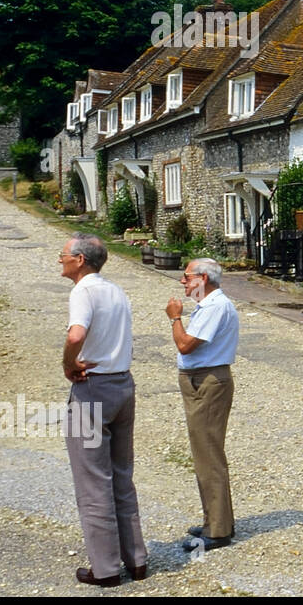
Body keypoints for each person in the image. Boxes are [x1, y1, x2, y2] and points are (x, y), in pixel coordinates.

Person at [60, 234, 147, 586]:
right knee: (121, 476)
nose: (60, 260)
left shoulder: (83, 291)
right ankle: (136, 559)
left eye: (63, 255)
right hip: (123, 384)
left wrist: (68, 364)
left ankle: (106, 568)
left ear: (80, 259)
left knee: (94, 481)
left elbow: (75, 336)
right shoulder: (116, 290)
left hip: (93, 388)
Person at [167, 258, 240, 552]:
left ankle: (218, 529)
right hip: (204, 379)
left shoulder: (213, 306)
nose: (182, 282)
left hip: (207, 381)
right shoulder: (211, 305)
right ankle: (217, 519)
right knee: (206, 452)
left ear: (203, 279)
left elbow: (185, 344)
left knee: (208, 454)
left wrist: (175, 318)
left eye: (187, 277)